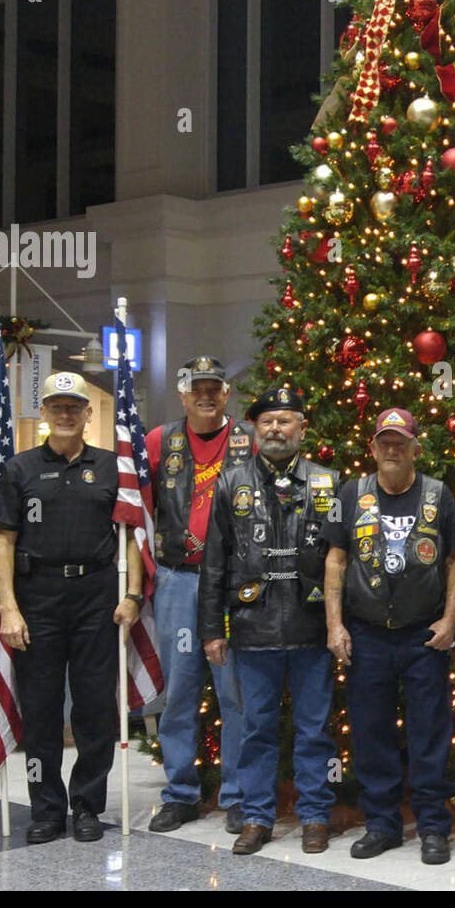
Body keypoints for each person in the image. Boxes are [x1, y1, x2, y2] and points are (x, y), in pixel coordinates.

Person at [0, 372, 142, 844]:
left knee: (96, 708)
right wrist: (9, 608)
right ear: (44, 412)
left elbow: (131, 534)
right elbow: (3, 540)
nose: (64, 414)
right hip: (37, 597)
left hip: (96, 596)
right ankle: (47, 808)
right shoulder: (19, 469)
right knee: (40, 710)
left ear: (86, 413)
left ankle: (87, 806)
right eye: (56, 406)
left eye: (73, 406)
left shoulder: (112, 467)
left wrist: (133, 595)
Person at [198, 386, 339, 855]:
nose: (276, 429)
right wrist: (212, 630)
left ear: (302, 427)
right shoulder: (230, 481)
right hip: (253, 628)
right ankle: (257, 817)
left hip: (311, 627)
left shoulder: (327, 481)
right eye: (267, 422)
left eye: (285, 420)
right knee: (256, 727)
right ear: (255, 429)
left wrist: (341, 625)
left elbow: (343, 563)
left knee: (314, 730)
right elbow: (213, 562)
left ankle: (315, 815)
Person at [321, 408, 455, 865]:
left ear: (415, 448)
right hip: (367, 636)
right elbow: (336, 561)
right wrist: (334, 624)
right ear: (373, 448)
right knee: (370, 733)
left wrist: (450, 621)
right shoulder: (352, 493)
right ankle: (382, 824)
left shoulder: (439, 495)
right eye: (384, 441)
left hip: (424, 637)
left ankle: (433, 827)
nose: (391, 448)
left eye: (400, 441)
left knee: (429, 734)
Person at [145, 356, 252, 836]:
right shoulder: (157, 441)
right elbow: (136, 510)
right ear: (182, 394)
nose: (206, 395)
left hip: (233, 583)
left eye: (214, 387)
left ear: (225, 393)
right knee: (180, 691)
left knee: (236, 693)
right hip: (178, 580)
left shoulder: (250, 439)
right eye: (196, 388)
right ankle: (180, 793)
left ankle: (238, 795)